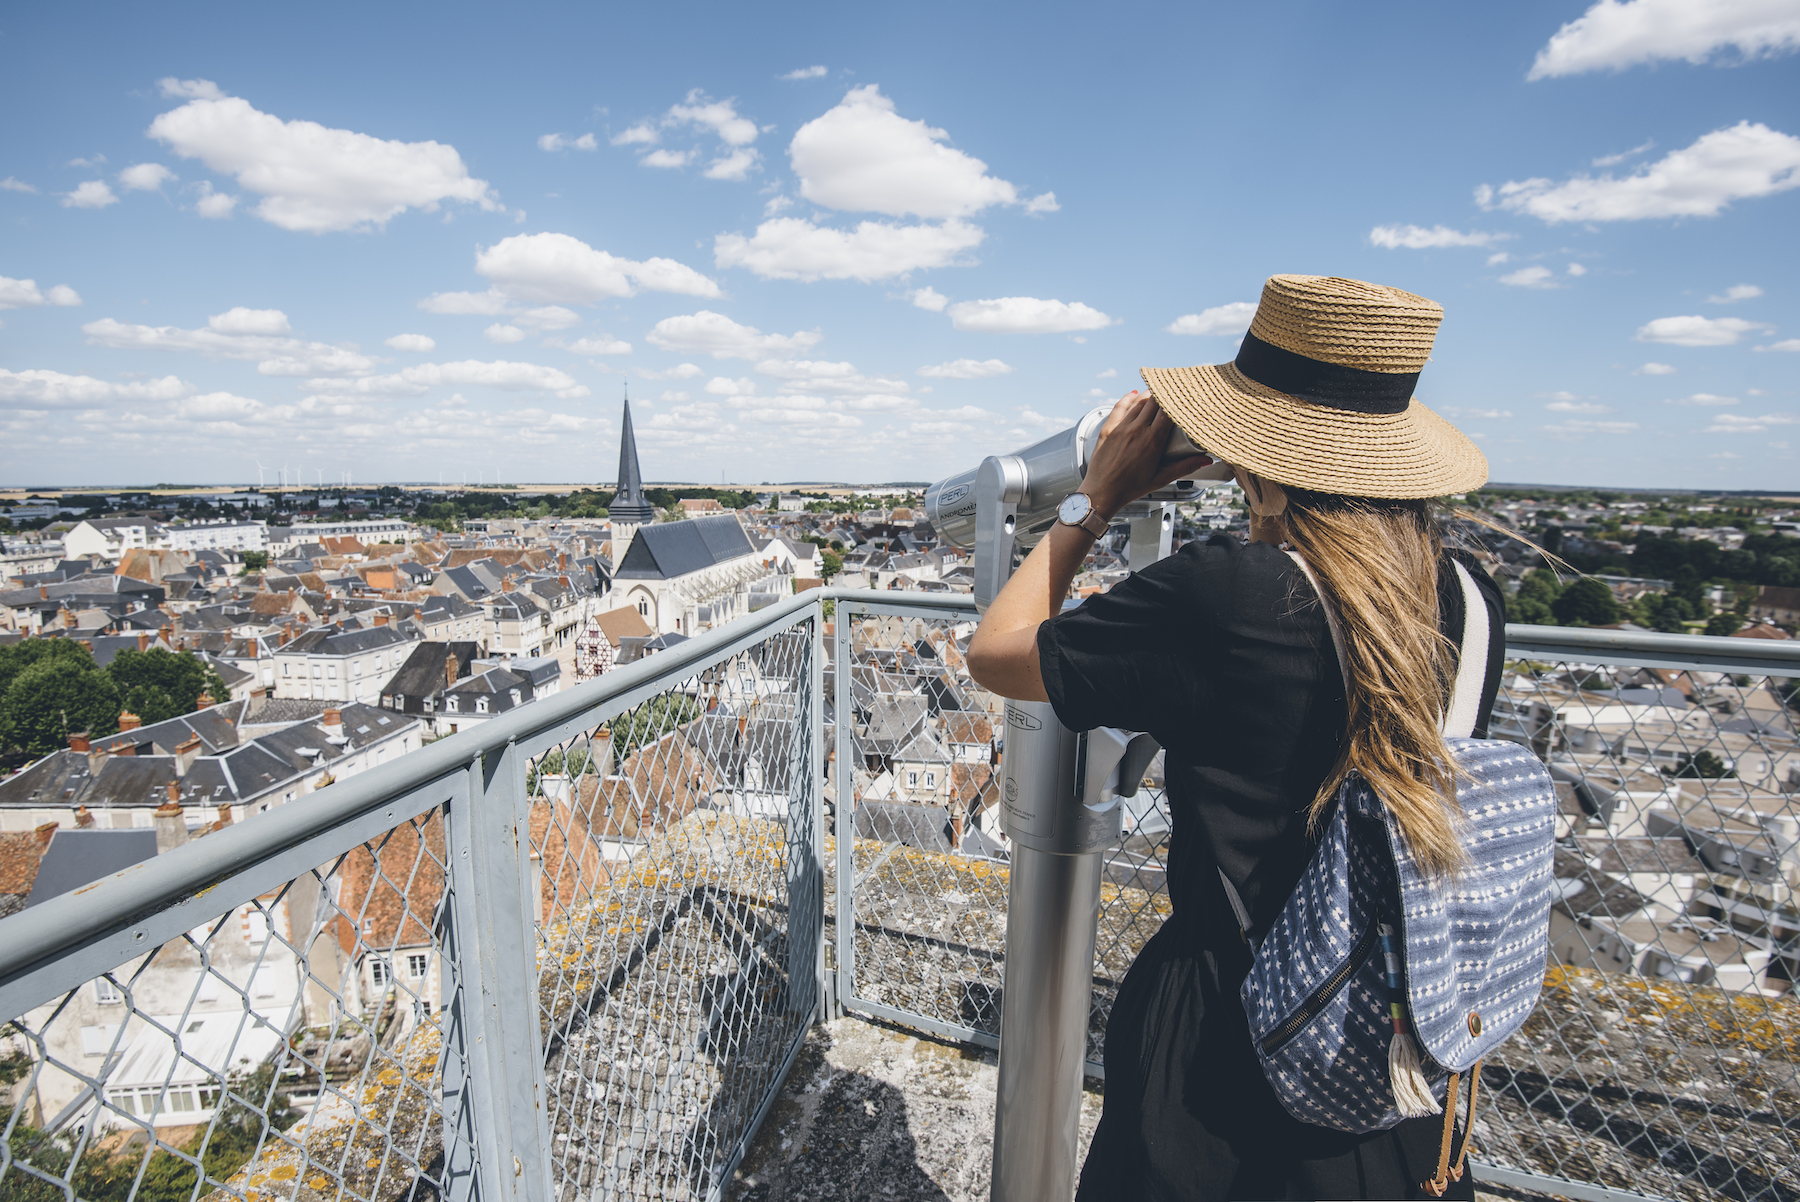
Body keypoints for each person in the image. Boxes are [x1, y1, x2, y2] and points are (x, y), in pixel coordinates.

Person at [966, 275, 1504, 1201]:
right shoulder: (1472, 599)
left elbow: (998, 654)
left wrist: (1094, 502)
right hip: (1402, 1053)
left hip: (1228, 1050)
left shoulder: (1234, 594)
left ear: (1255, 447)